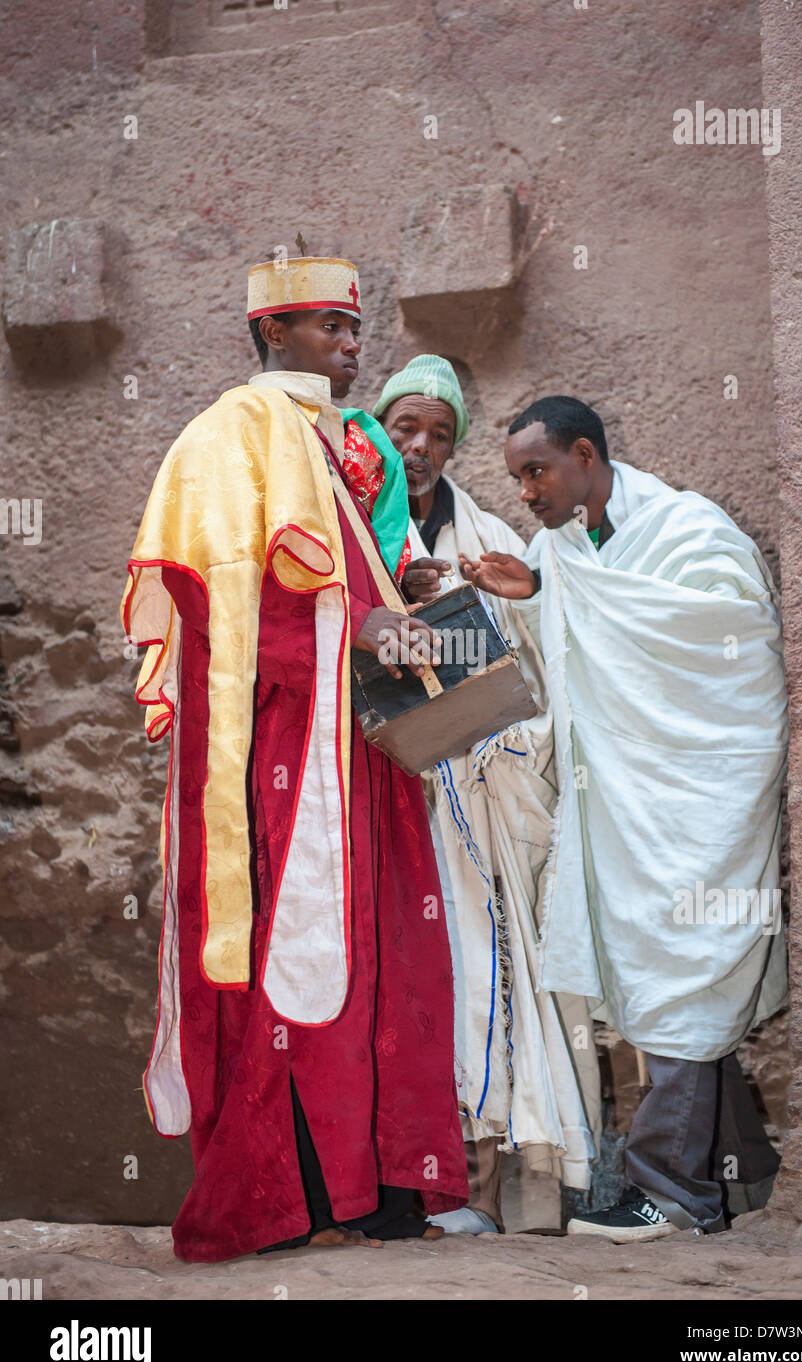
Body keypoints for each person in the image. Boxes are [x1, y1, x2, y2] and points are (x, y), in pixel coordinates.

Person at [121, 257, 468, 1262]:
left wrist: (395, 621)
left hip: (351, 756)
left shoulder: (329, 446)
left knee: (379, 958)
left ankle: (372, 1189)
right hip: (272, 762)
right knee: (291, 958)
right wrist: (359, 632)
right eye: (329, 327)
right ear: (274, 334)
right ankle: (292, 1189)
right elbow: (222, 602)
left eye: (355, 328)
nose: (352, 346)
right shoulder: (226, 436)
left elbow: (342, 592)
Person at [459, 395, 787, 1242]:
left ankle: (671, 1193)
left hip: (696, 796)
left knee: (687, 969)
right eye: (517, 479)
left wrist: (568, 601)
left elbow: (732, 643)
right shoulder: (557, 550)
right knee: (666, 977)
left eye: (537, 472)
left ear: (583, 455)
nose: (526, 492)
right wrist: (532, 596)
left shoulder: (689, 531)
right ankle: (731, 1182)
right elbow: (560, 662)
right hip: (618, 803)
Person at [373, 358, 601, 1234]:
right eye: (405, 429)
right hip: (387, 796)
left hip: (473, 794)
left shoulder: (482, 538)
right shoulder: (350, 530)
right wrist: (390, 598)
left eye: (438, 433)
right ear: (378, 434)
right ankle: (407, 1191)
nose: (421, 447)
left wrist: (455, 603)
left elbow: (531, 670)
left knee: (484, 973)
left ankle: (486, 1187)